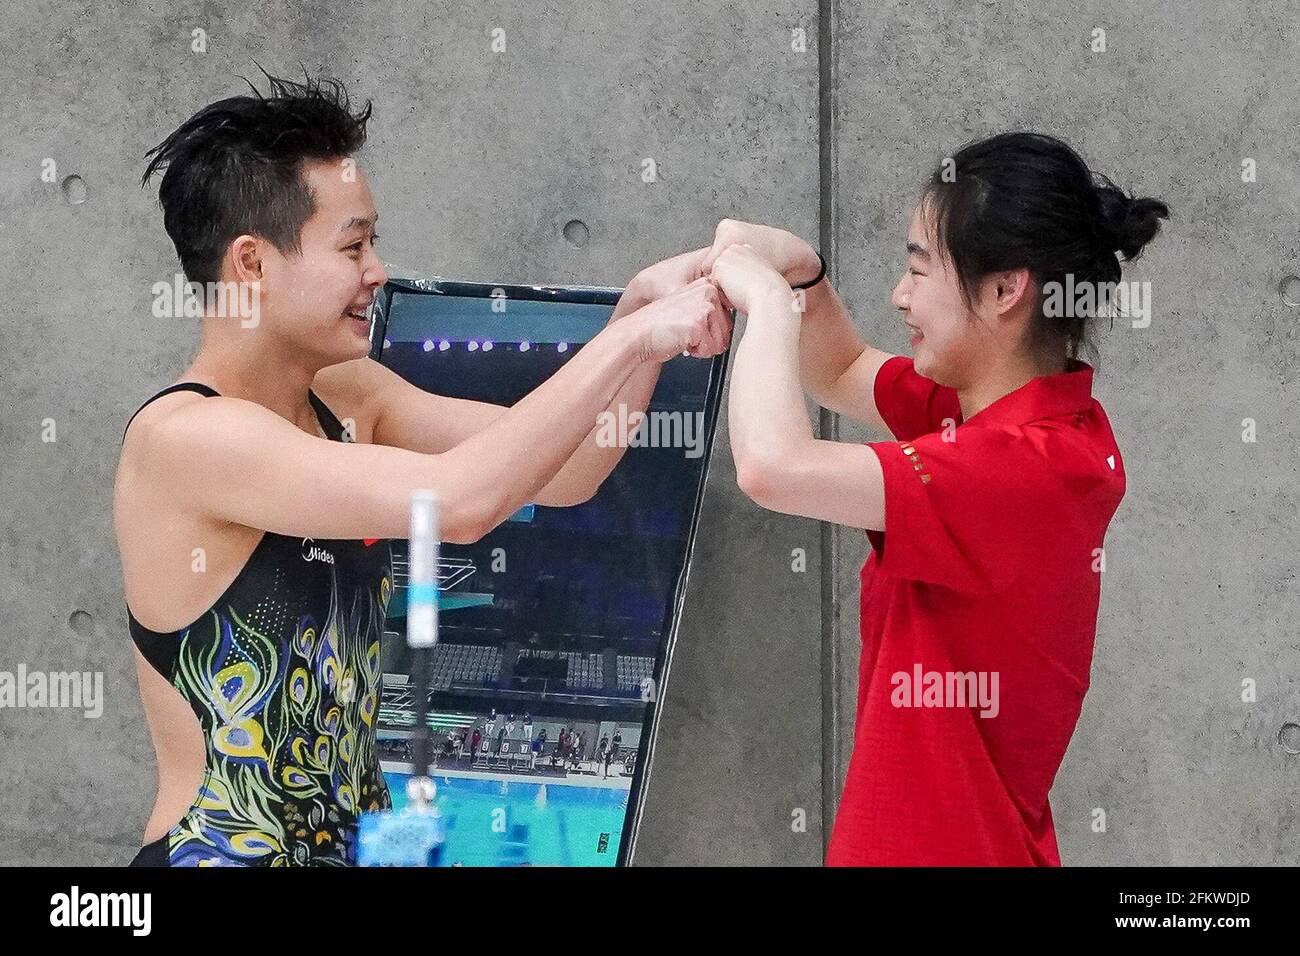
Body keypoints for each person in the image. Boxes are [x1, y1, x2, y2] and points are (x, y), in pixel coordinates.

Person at [117, 73, 731, 867]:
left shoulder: (352, 396)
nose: (378, 270)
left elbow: (570, 468)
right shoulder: (189, 441)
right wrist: (632, 340)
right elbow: (461, 504)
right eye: (353, 245)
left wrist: (638, 310)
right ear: (251, 264)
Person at [704, 132, 1168, 865]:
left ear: (1003, 289)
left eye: (919, 268)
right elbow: (842, 367)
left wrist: (761, 301)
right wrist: (802, 277)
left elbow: (772, 467)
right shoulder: (1018, 421)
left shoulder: (1018, 469)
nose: (900, 294)